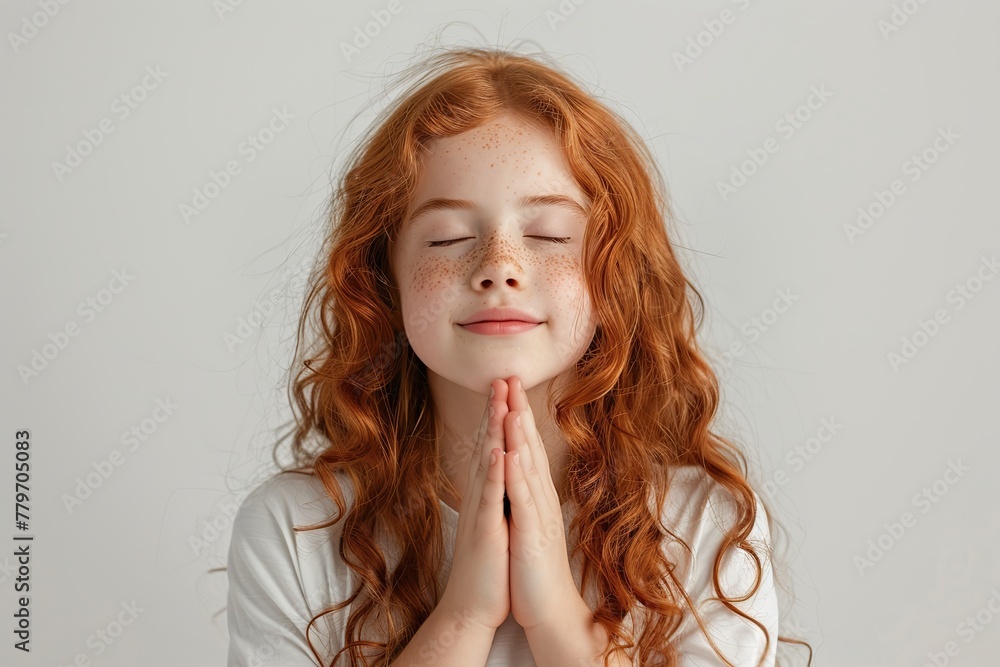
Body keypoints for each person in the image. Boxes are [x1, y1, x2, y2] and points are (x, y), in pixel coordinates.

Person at [225, 44, 813, 667]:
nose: (500, 267)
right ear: (381, 281)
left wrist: (555, 615)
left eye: (550, 235)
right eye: (448, 237)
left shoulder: (705, 527)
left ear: (613, 278)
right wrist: (463, 618)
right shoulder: (294, 531)